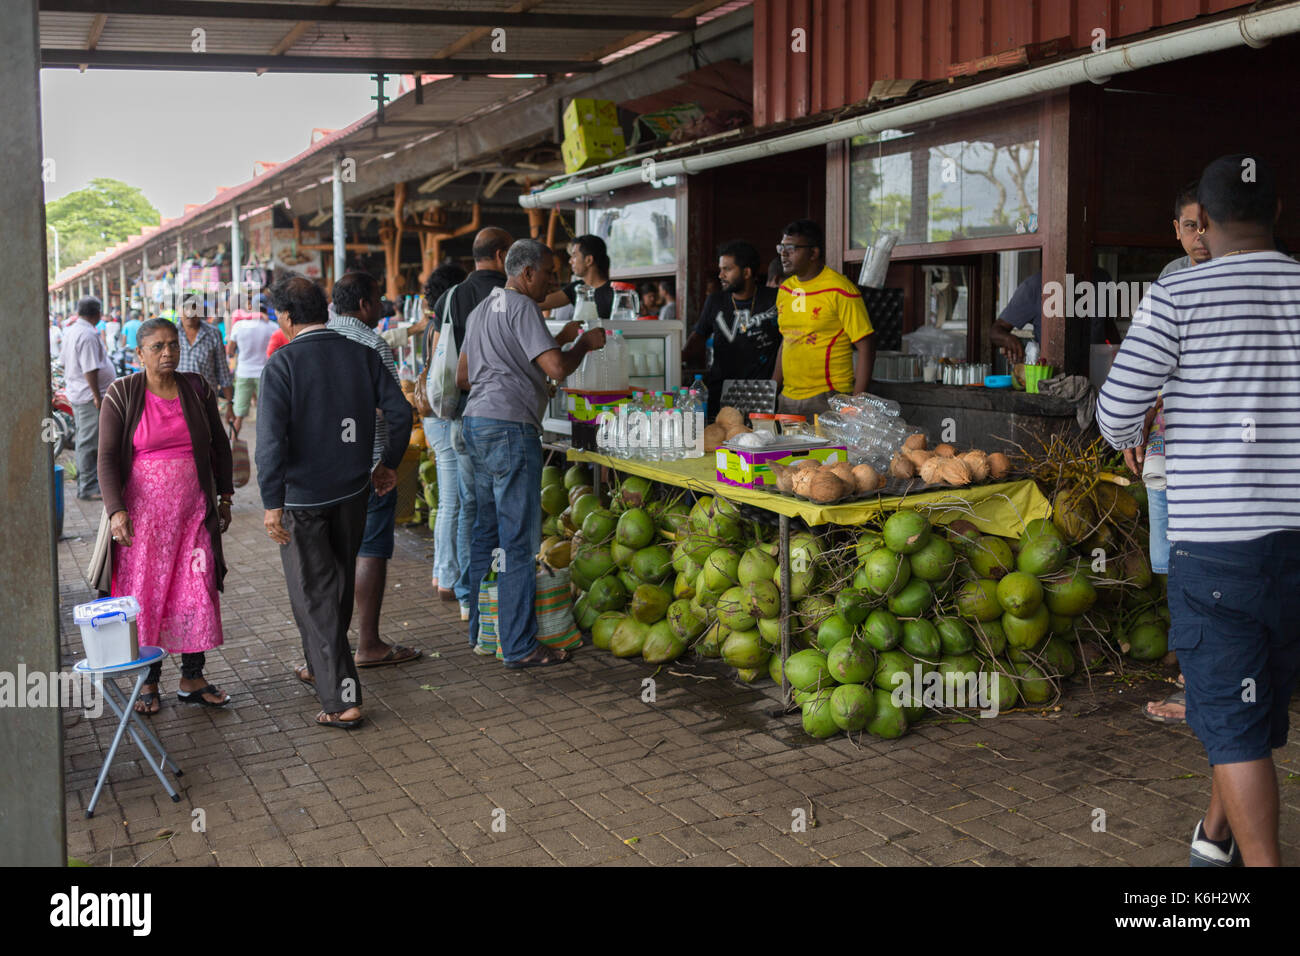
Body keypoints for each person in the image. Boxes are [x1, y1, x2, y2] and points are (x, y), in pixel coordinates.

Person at [1097, 153, 1300, 867]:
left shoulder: (1179, 296)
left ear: (1204, 222)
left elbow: (1117, 409)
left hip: (1219, 546)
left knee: (1236, 727)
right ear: (1277, 213)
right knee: (1254, 705)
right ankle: (1214, 841)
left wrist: (1135, 438)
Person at [257, 276, 412, 730]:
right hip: (353, 490)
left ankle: (342, 698)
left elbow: (269, 443)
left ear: (286, 317)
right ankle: (318, 665)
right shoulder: (360, 353)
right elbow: (400, 412)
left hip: (303, 499)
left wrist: (271, 502)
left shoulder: (282, 364)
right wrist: (387, 463)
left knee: (313, 593)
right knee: (337, 584)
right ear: (324, 310)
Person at [455, 239, 605, 667]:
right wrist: (585, 344)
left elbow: (465, 375)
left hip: (477, 424)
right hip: (509, 428)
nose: (554, 283)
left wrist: (556, 340)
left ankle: (483, 633)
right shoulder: (522, 308)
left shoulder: (482, 309)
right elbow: (556, 368)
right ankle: (519, 646)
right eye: (550, 275)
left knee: (488, 531)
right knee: (518, 539)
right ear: (526, 274)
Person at [97, 318, 234, 713]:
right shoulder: (122, 393)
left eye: (172, 344)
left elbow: (219, 446)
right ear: (139, 353)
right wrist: (116, 511)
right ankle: (149, 681)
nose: (167, 352)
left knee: (196, 589)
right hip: (143, 520)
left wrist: (224, 497)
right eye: (157, 346)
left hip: (193, 513)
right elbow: (106, 458)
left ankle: (192, 677)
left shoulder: (196, 388)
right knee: (147, 593)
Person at [318, 271, 421, 671]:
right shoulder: (371, 342)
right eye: (378, 299)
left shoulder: (315, 340)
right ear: (364, 304)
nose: (380, 307)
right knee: (370, 550)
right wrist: (389, 464)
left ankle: (325, 651)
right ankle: (369, 643)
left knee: (329, 557)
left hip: (324, 471)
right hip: (369, 466)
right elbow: (396, 409)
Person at [1141, 180, 1212, 726]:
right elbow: (1149, 367)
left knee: (1209, 559)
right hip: (1169, 441)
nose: (1199, 236)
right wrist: (1135, 427)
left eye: (1208, 224)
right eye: (1190, 225)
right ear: (1176, 230)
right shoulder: (1168, 279)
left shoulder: (1243, 278)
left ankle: (1201, 678)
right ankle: (1193, 666)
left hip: (1221, 451)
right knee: (1172, 559)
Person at [427, 228, 512, 622]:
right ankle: (498, 596)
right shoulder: (511, 296)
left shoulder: (450, 297)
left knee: (468, 508)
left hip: (459, 416)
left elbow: (439, 356)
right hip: (502, 417)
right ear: (501, 254)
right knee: (502, 510)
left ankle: (467, 596)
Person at [773, 220, 874, 417]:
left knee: (826, 450)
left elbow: (867, 346)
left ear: (813, 253)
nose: (784, 254)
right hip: (787, 399)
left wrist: (856, 403)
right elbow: (787, 340)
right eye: (781, 248)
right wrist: (772, 389)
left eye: (792, 248)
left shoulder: (840, 289)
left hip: (828, 397)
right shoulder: (786, 289)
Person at [684, 240, 780, 420]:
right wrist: (677, 360)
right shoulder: (715, 301)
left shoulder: (773, 298)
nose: (720, 275)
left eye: (727, 269)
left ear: (746, 272)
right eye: (721, 269)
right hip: (721, 392)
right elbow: (698, 337)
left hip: (763, 392)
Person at [990, 268, 1122, 364]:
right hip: (1053, 378)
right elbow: (996, 330)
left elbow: (1108, 326)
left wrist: (1120, 358)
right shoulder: (1035, 286)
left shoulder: (1102, 279)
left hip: (1096, 371)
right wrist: (1010, 340)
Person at [60, 297, 116, 500]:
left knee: (89, 439)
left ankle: (91, 484)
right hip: (88, 396)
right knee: (89, 442)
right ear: (97, 313)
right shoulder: (86, 334)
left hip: (80, 393)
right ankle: (89, 488)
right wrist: (97, 396)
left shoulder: (73, 330)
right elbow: (90, 369)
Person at [176, 295, 234, 422]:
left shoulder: (213, 333)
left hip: (206, 401)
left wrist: (230, 405)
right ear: (178, 310)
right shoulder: (171, 333)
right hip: (177, 401)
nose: (190, 313)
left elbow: (223, 372)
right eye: (185, 309)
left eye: (194, 308)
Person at [225, 297, 275, 436]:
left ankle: (233, 444)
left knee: (238, 414)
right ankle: (264, 443)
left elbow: (229, 350)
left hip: (244, 373)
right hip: (264, 374)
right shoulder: (273, 327)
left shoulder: (239, 326)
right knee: (265, 414)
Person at [540, 235, 614, 319]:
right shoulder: (576, 288)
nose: (570, 261)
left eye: (574, 256)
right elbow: (540, 303)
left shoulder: (614, 292)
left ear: (589, 260)